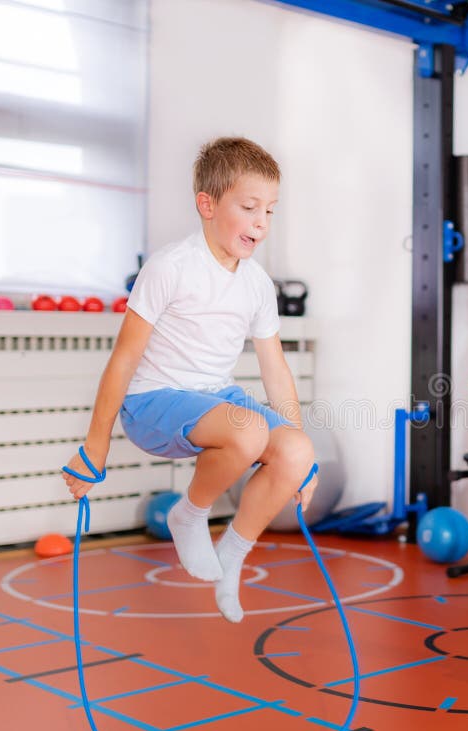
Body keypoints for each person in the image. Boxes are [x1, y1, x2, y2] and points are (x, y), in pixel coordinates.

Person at [63, 137, 317, 624]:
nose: (262, 221)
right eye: (249, 207)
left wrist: (300, 454)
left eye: (270, 209)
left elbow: (275, 370)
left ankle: (232, 560)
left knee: (298, 451)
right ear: (207, 204)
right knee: (248, 429)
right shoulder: (169, 267)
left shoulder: (257, 284)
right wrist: (96, 447)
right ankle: (190, 514)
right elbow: (122, 361)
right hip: (152, 401)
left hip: (214, 401)